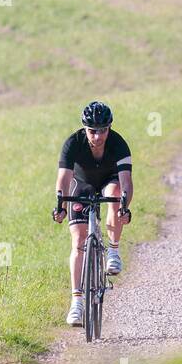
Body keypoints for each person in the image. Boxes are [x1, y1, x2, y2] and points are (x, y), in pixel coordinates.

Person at [52, 101, 133, 326]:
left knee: (116, 194)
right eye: (92, 131)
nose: (97, 137)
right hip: (82, 183)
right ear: (84, 129)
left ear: (109, 128)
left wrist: (125, 207)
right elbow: (64, 179)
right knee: (78, 240)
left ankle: (114, 251)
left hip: (109, 181)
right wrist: (60, 205)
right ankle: (76, 302)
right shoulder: (72, 143)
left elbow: (126, 181)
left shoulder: (118, 144)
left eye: (103, 131)